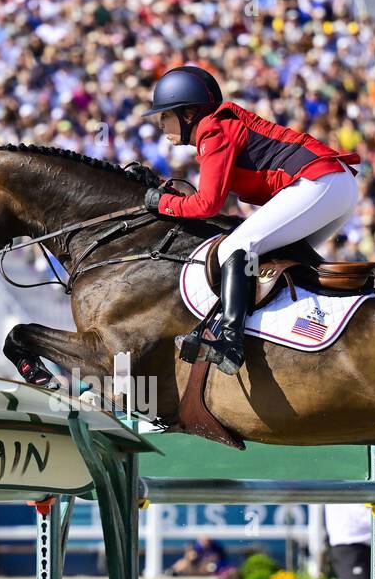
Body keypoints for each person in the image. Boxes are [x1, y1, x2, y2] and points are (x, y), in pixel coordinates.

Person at [140, 65, 362, 374]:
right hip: (335, 186)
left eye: (165, 115)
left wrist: (161, 202)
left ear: (189, 114)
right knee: (272, 257)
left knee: (236, 247)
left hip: (320, 182)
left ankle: (230, 342)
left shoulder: (213, 130)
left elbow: (207, 204)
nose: (161, 123)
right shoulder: (219, 126)